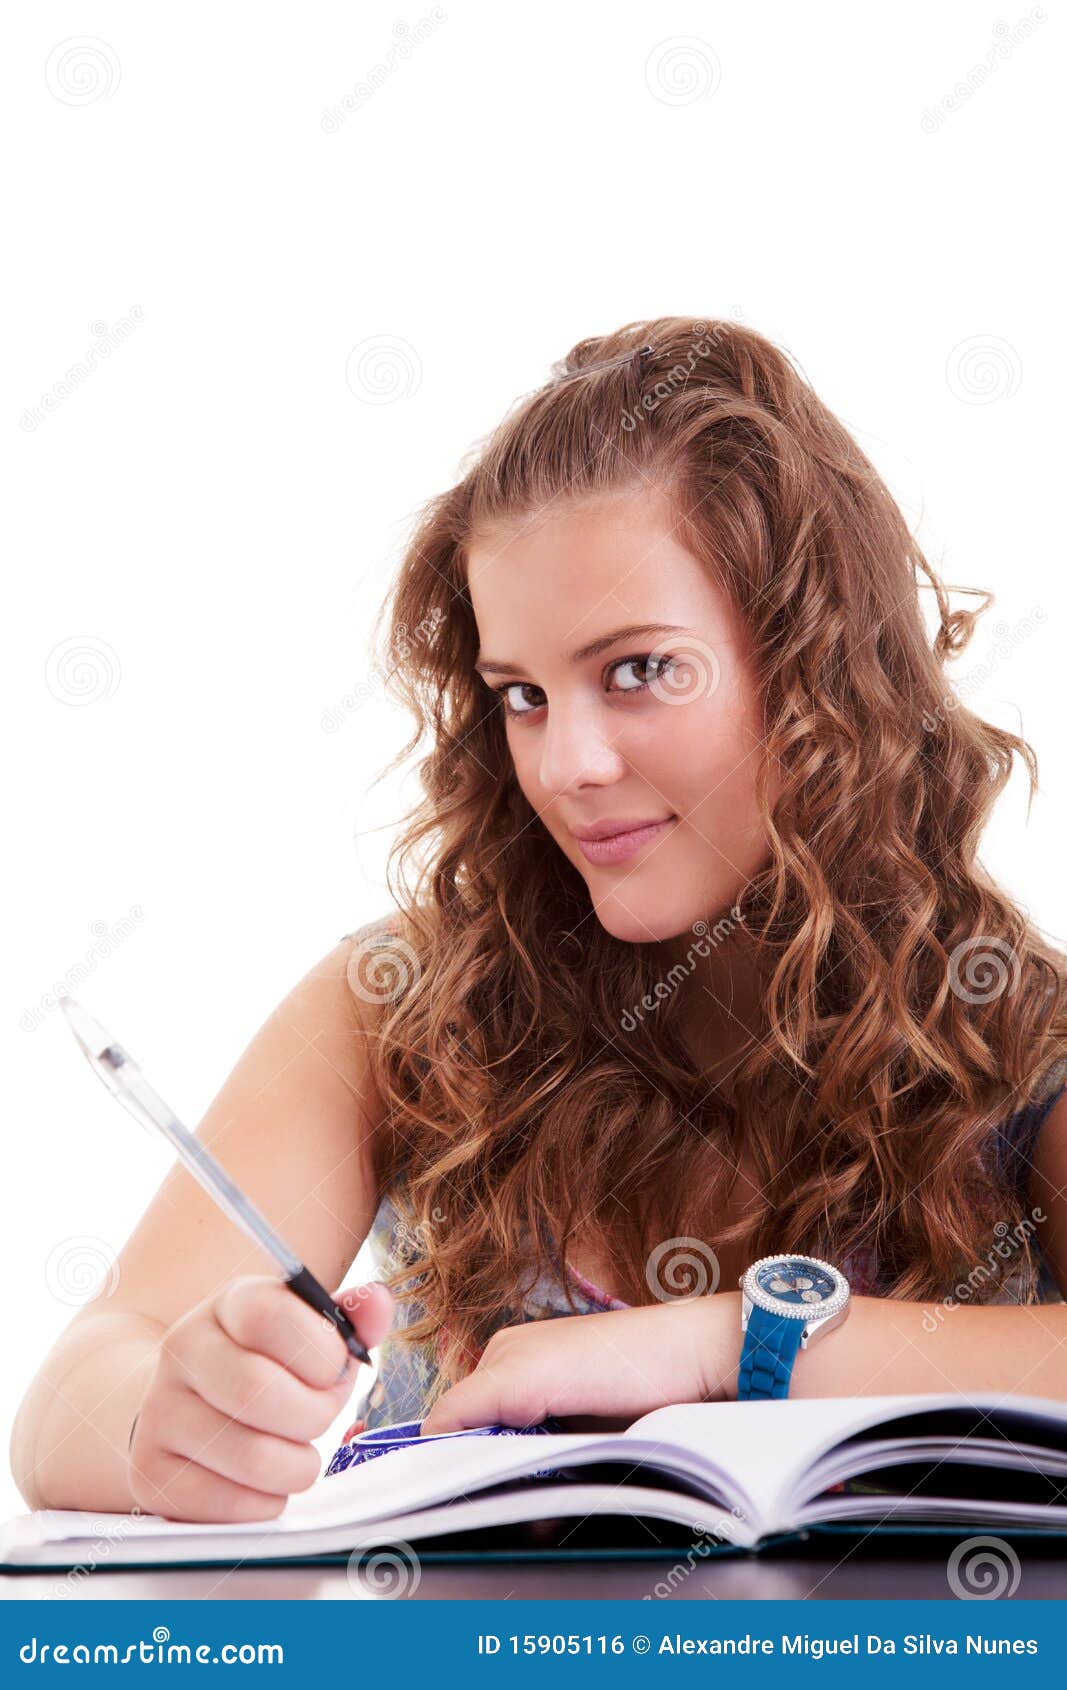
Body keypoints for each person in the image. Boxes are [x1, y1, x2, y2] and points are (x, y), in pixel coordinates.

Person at [12, 317, 1067, 1525]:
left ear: (817, 669)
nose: (563, 763)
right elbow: (67, 1404)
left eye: (635, 670)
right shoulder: (398, 1006)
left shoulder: (1011, 1032)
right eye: (521, 694)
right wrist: (163, 1421)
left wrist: (732, 1343)